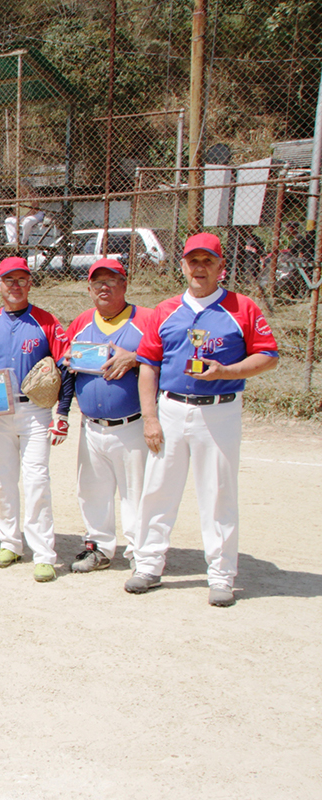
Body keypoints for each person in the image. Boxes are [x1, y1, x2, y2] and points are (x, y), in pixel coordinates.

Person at [127, 233, 279, 607]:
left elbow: (269, 356)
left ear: (220, 266)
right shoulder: (165, 310)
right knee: (158, 489)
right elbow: (148, 365)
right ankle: (148, 565)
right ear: (182, 265)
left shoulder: (242, 307)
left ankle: (222, 574)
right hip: (172, 407)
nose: (199, 268)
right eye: (193, 260)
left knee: (218, 493)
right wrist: (150, 418)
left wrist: (228, 371)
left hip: (220, 407)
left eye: (207, 261)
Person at [0, 256, 71, 582]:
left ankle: (43, 553)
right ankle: (10, 543)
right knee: (1, 479)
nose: (15, 285)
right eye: (8, 280)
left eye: (21, 279)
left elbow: (65, 366)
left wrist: (63, 412)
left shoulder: (46, 321)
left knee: (37, 480)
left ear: (30, 283)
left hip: (36, 411)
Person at [64, 258, 154, 573]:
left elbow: (168, 358)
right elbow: (67, 368)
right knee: (92, 490)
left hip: (133, 423)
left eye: (112, 280)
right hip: (90, 426)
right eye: (98, 282)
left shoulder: (147, 320)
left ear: (125, 285)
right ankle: (99, 547)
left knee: (137, 493)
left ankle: (142, 555)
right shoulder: (81, 324)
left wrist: (136, 357)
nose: (105, 287)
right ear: (88, 289)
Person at [3, 181, 44, 246]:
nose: (20, 189)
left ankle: (24, 240)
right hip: (22, 216)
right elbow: (15, 211)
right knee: (8, 220)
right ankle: (13, 241)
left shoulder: (32, 195)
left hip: (35, 214)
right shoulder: (18, 196)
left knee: (27, 221)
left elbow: (34, 209)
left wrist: (24, 217)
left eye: (22, 187)